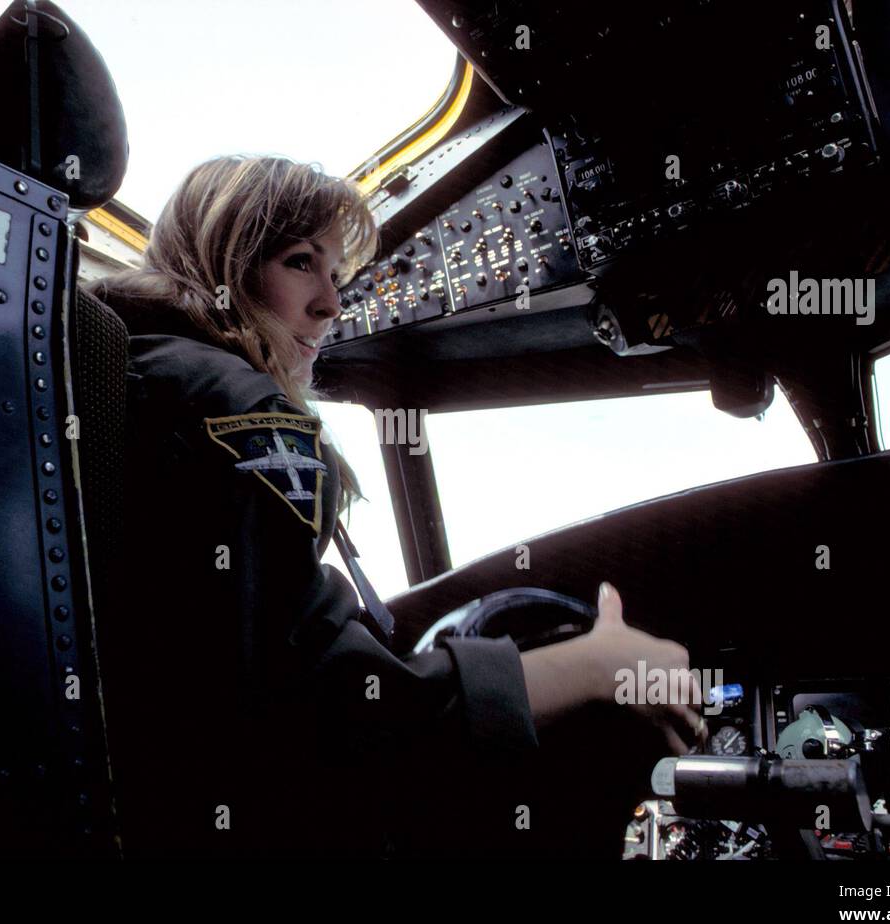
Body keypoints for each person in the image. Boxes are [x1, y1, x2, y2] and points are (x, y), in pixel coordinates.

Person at [85, 155, 705, 857]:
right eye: (299, 262)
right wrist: (596, 665)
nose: (331, 302)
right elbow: (342, 718)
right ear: (224, 270)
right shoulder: (233, 409)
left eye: (336, 274)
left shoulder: (145, 378)